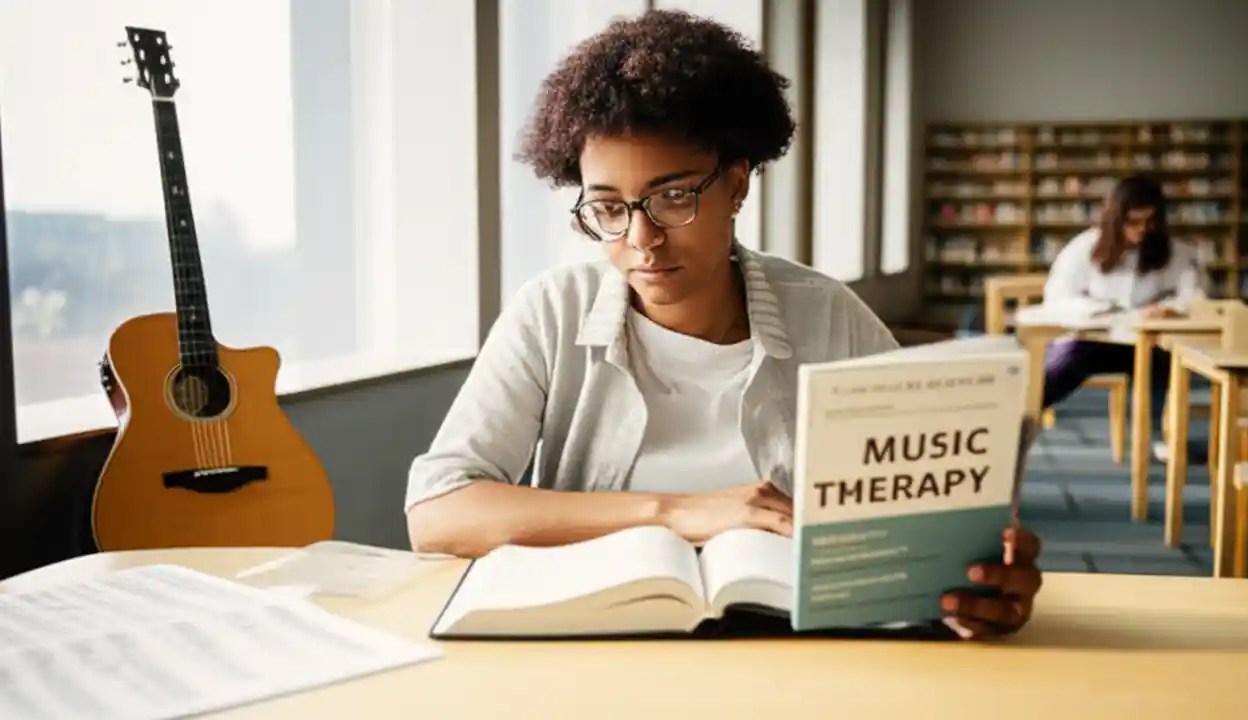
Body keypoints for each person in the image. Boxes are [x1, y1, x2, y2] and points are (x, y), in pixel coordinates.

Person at [404, 9, 1041, 639]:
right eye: (607, 208)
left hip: (798, 652)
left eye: (674, 196)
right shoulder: (552, 312)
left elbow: (937, 509)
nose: (642, 239)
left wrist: (974, 581)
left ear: (736, 184)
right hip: (597, 649)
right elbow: (438, 512)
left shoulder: (827, 316)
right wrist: (676, 514)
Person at [1041, 175, 1206, 454]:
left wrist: (1171, 309)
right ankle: (1023, 412)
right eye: (1133, 222)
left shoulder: (1175, 251)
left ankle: (1157, 436)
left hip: (1146, 343)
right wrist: (1096, 309)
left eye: (1150, 221)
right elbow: (1057, 296)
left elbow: (1196, 295)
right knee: (1070, 358)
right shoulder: (1085, 247)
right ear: (1115, 219)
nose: (1142, 230)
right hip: (1097, 340)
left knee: (1162, 360)